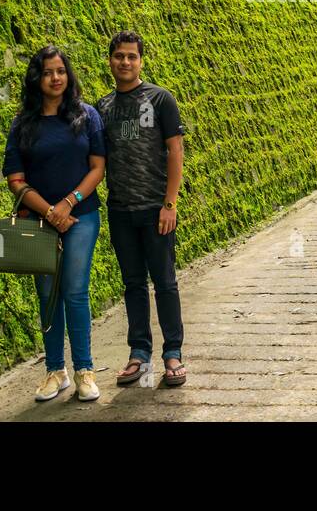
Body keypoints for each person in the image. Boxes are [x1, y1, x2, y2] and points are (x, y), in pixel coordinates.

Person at [2, 45, 107, 403]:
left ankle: (85, 370)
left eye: (60, 71)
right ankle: (55, 371)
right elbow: (15, 179)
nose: (55, 78)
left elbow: (97, 168)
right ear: (37, 78)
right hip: (40, 221)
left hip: (82, 216)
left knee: (74, 291)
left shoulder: (87, 116)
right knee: (47, 295)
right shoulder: (23, 124)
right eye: (48, 72)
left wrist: (67, 204)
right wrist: (49, 211)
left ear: (68, 75)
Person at [95, 30, 187, 387]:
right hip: (120, 210)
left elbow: (175, 151)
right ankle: (139, 353)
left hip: (155, 209)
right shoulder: (102, 108)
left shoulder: (161, 100)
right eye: (119, 56)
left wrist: (170, 203)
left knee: (164, 282)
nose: (125, 62)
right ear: (110, 61)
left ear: (141, 61)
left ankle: (173, 354)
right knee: (132, 284)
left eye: (132, 56)